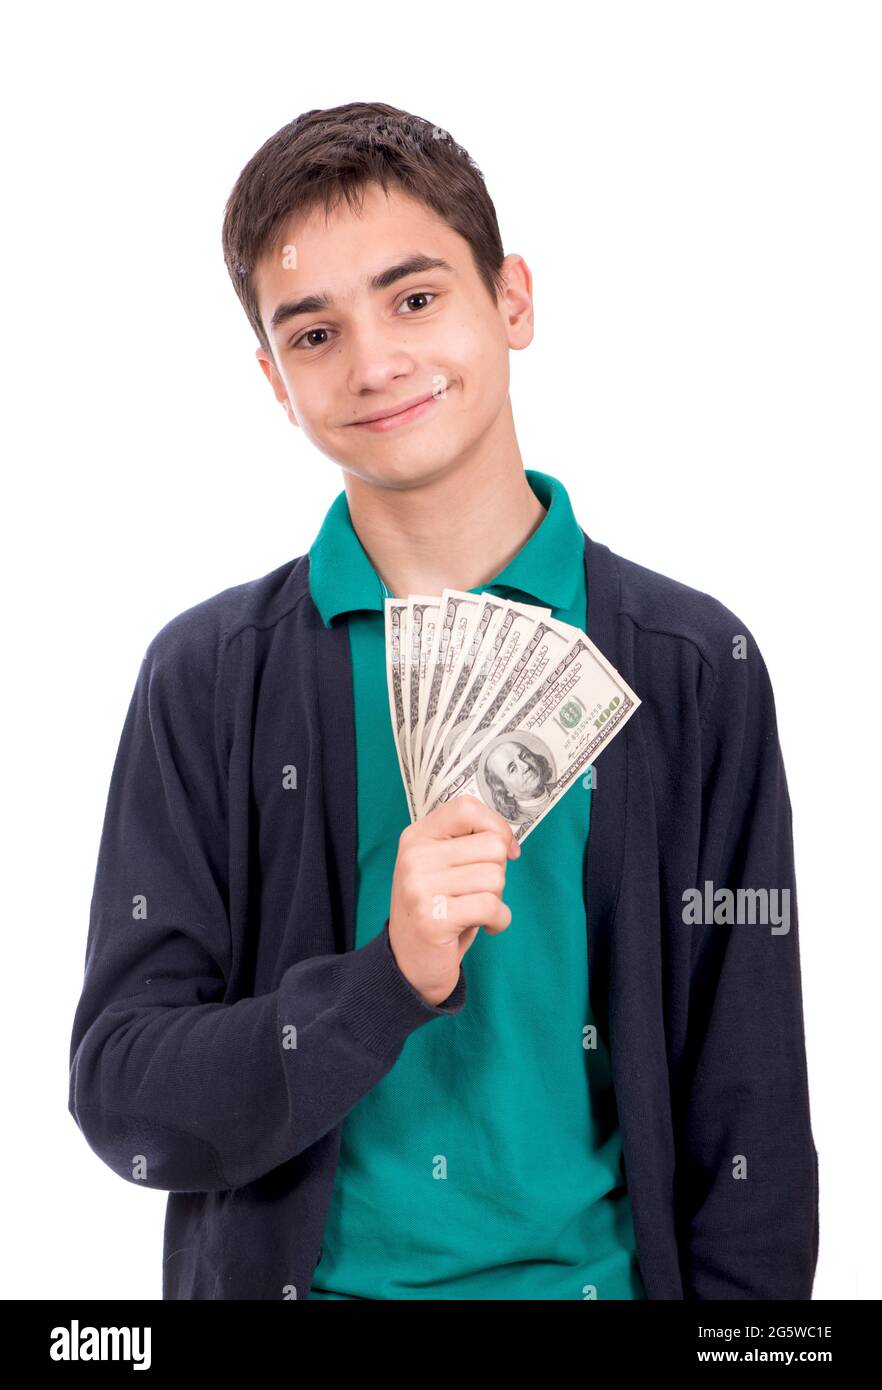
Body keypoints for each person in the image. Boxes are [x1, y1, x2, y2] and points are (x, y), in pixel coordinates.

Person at [68, 101, 819, 1300]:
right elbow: (124, 1093)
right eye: (314, 333)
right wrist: (384, 982)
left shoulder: (688, 663)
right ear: (273, 378)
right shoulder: (208, 677)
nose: (374, 363)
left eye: (415, 299)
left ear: (512, 300)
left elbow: (755, 1110)